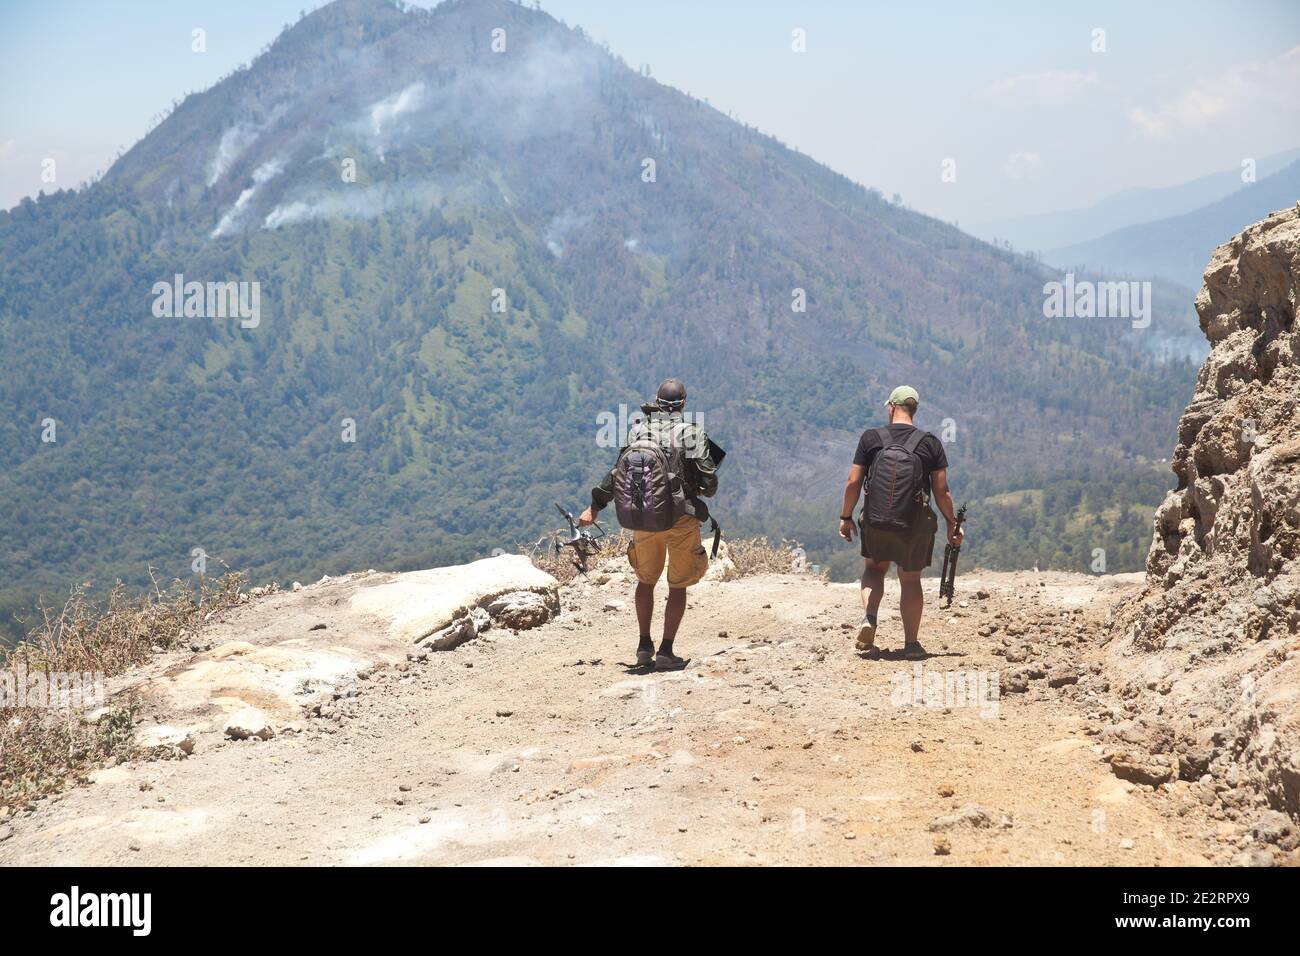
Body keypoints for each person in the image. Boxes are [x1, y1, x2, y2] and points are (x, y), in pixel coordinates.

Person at [578, 379, 720, 670]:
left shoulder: (637, 430)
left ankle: (644, 645)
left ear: (655, 401)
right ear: (683, 404)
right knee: (677, 585)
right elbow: (709, 485)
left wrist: (594, 506)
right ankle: (667, 651)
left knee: (646, 581)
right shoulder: (691, 433)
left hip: (644, 517)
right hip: (680, 518)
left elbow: (617, 473)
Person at [837, 386, 961, 658]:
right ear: (913, 410)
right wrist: (952, 523)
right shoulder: (930, 443)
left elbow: (853, 482)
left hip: (876, 521)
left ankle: (870, 617)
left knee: (874, 570)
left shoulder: (871, 439)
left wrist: (846, 517)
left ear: (891, 407)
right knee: (910, 579)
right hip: (913, 526)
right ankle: (912, 644)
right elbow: (942, 492)